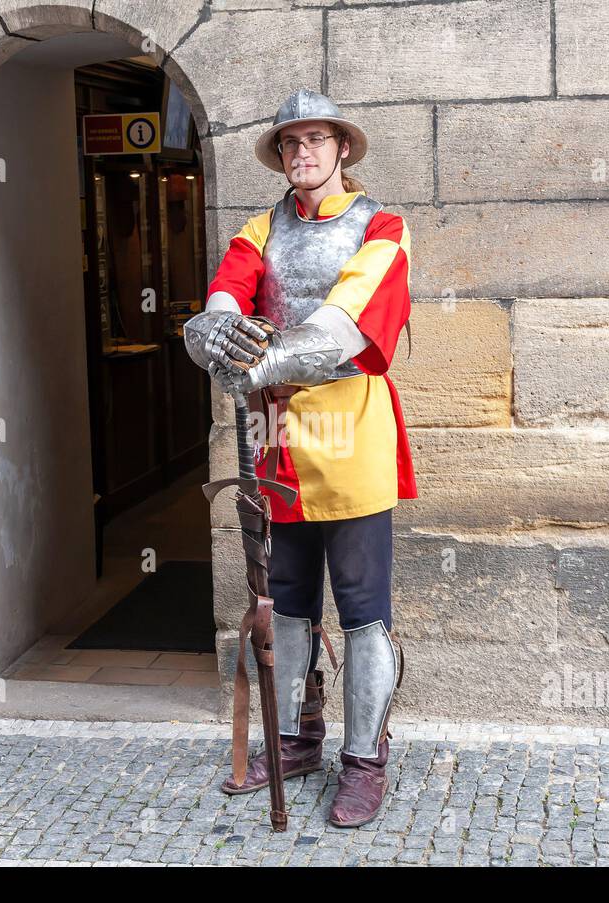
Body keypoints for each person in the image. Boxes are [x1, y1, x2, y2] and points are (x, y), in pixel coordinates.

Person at [183, 89, 417, 827]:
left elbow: (345, 326)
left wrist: (245, 364)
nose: (302, 155)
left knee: (362, 609)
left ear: (341, 148)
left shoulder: (383, 226)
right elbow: (227, 293)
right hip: (274, 438)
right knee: (283, 601)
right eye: (290, 145)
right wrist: (211, 331)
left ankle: (364, 761)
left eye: (315, 141)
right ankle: (294, 740)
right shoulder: (261, 227)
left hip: (351, 428)